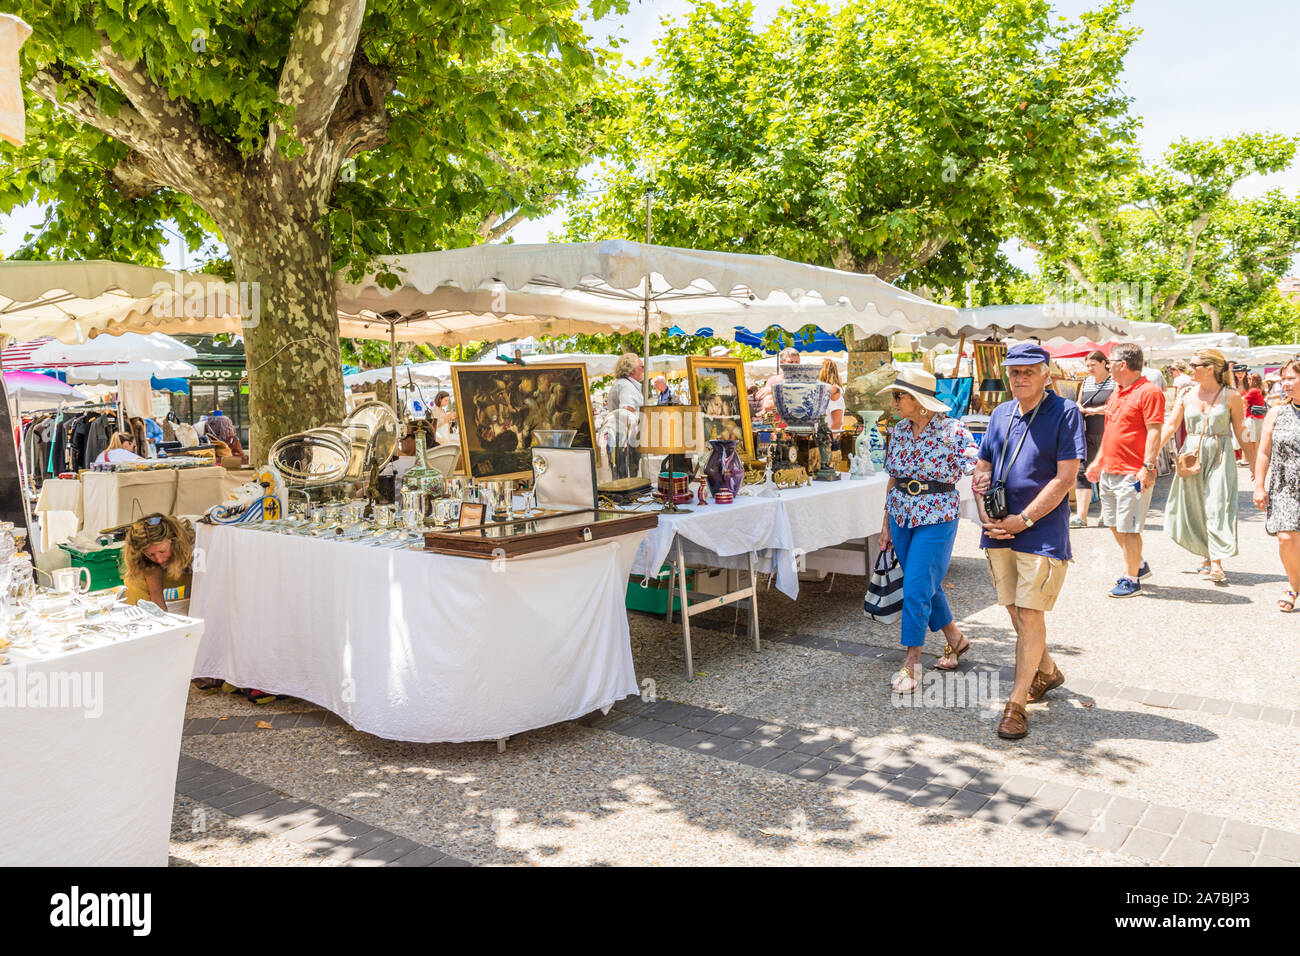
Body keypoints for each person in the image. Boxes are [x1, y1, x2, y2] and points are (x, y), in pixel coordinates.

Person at [971, 344, 1085, 740]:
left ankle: (1016, 704)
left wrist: (1025, 519)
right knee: (1013, 610)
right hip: (998, 527)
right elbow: (983, 466)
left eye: (1029, 371)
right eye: (1014, 372)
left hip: (1039, 530)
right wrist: (984, 510)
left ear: (1046, 374)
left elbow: (1065, 477)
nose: (1021, 378)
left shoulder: (1065, 412)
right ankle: (1048, 671)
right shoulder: (1000, 413)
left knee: (1030, 612)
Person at [876, 369, 978, 692]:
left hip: (937, 515)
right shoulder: (900, 430)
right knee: (927, 584)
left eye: (898, 396)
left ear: (918, 401)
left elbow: (979, 467)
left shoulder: (953, 431)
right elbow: (893, 475)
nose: (893, 402)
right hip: (901, 515)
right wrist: (885, 523)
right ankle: (956, 639)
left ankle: (912, 664)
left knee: (917, 586)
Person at [1158, 349, 1248, 583]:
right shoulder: (1186, 394)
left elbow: (1242, 432)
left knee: (1218, 504)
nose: (1190, 368)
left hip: (1220, 454)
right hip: (1192, 453)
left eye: (1194, 365)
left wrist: (1257, 468)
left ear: (1210, 368)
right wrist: (1149, 455)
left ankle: (1217, 561)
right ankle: (1205, 555)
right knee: (1195, 506)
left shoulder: (1231, 396)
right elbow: (1170, 426)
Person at [1084, 343, 1165, 598]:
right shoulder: (1117, 392)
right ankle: (1138, 565)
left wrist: (1148, 467)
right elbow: (1110, 431)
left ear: (1122, 364)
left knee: (1129, 528)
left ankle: (1132, 579)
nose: (1107, 365)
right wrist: (1098, 461)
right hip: (1110, 469)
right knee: (1112, 523)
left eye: (1110, 361)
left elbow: (1154, 432)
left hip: (1132, 471)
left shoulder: (1149, 392)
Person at [1252, 359, 1300, 612]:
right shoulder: (1276, 412)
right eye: (1284, 379)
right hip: (1284, 486)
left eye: (1292, 378)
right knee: (1286, 538)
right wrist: (1260, 486)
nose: (1286, 383)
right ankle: (1294, 585)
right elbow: (1264, 452)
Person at [1072, 350, 1116, 528]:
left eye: (1093, 365)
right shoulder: (1086, 382)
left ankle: (1106, 514)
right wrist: (1078, 408)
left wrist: (1092, 411)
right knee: (1082, 472)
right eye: (1087, 365)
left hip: (1108, 433)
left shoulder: (1114, 382)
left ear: (1104, 363)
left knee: (1107, 472)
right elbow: (1079, 402)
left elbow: (1115, 406)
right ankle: (1081, 516)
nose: (1089, 368)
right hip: (1087, 433)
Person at [608, 353, 644, 478]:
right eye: (641, 366)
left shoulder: (623, 384)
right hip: (627, 441)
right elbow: (627, 412)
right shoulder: (627, 386)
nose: (643, 369)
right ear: (632, 370)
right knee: (627, 479)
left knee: (620, 477)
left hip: (622, 439)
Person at [1242, 372, 1267, 478]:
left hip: (1252, 417)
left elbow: (1243, 400)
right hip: (1259, 418)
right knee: (1256, 439)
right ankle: (1257, 459)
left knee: (1251, 439)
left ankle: (1254, 460)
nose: (1248, 381)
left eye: (1249, 379)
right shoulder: (1260, 390)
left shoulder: (1253, 391)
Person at [820, 359, 845, 432]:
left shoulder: (834, 390)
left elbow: (837, 422)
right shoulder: (829, 390)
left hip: (829, 438)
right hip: (824, 437)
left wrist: (831, 440)